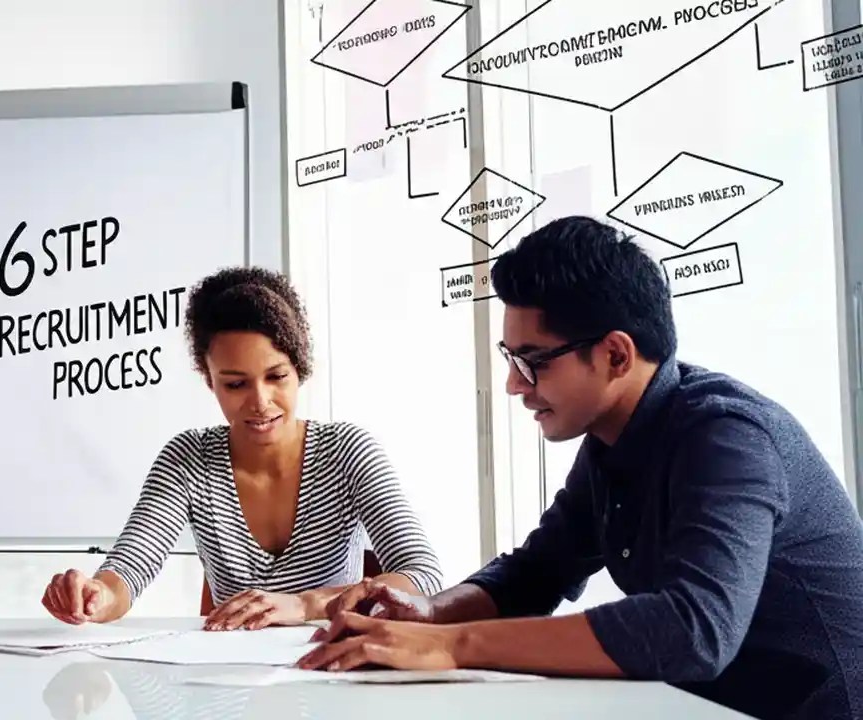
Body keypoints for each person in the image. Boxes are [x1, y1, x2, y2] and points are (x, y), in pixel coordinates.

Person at [298, 216, 863, 720]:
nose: (514, 384)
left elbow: (693, 629)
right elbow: (537, 572)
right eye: (510, 359)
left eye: (532, 361)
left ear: (616, 354)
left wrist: (456, 645)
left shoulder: (728, 437)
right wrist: (431, 613)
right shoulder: (612, 440)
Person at [41, 267, 442, 630]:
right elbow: (127, 571)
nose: (260, 401)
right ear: (209, 380)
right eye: (235, 384)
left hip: (332, 677)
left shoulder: (347, 451)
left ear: (299, 370)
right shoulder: (188, 459)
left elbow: (422, 574)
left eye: (277, 377)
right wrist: (96, 595)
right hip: (228, 691)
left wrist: (304, 605)